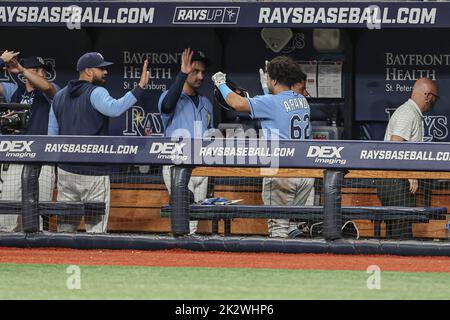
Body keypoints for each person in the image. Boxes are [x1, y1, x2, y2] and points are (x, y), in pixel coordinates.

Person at [212, 56, 314, 238]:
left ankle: (282, 266)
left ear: (274, 80)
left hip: (281, 172)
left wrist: (220, 84)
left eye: (269, 77)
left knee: (278, 230)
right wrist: (267, 89)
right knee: (291, 226)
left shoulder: (271, 102)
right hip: (305, 175)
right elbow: (279, 108)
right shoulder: (302, 101)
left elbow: (236, 103)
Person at [48, 52, 149, 233]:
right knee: (95, 230)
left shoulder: (59, 95)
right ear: (88, 71)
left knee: (65, 229)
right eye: (101, 68)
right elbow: (115, 109)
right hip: (93, 171)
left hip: (65, 171)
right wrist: (140, 87)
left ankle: (63, 260)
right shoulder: (96, 92)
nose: (105, 72)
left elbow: (52, 135)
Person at [0, 51, 59, 232]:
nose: (42, 73)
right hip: (17, 156)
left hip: (43, 158)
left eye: (44, 70)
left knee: (37, 215)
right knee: (6, 215)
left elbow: (48, 88)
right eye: (38, 70)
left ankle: (37, 254)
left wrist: (21, 68)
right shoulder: (14, 90)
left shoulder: (51, 90)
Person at [158, 48, 214, 235]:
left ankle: (189, 260)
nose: (200, 76)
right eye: (195, 71)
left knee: (194, 220)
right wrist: (182, 74)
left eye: (202, 72)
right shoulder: (170, 98)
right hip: (177, 164)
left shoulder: (206, 103)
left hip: (201, 165)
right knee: (182, 214)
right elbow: (166, 106)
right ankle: (177, 256)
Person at [376, 77, 439, 238]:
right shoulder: (407, 112)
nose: (434, 101)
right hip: (395, 180)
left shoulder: (412, 112)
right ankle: (401, 263)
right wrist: (409, 173)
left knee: (398, 228)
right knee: (401, 231)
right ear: (428, 96)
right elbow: (395, 145)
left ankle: (393, 262)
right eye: (435, 97)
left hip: (396, 179)